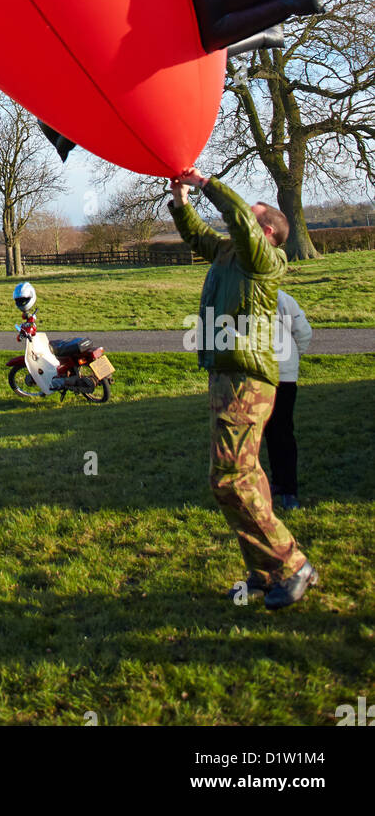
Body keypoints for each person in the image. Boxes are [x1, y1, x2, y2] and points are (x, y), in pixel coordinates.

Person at [169, 166, 318, 610]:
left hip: (247, 381)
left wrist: (205, 182)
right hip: (225, 375)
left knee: (230, 478)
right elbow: (199, 235)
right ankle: (264, 568)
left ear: (267, 232)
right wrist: (181, 200)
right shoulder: (229, 255)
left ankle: (292, 565)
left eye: (250, 221)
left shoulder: (264, 261)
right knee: (238, 477)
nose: (239, 225)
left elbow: (235, 215)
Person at [265, 289, 312, 511]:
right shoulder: (278, 297)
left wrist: (292, 358)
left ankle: (289, 489)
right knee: (272, 431)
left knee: (281, 430)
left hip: (281, 374)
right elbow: (302, 332)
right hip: (266, 373)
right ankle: (277, 481)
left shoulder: (282, 299)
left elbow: (302, 332)